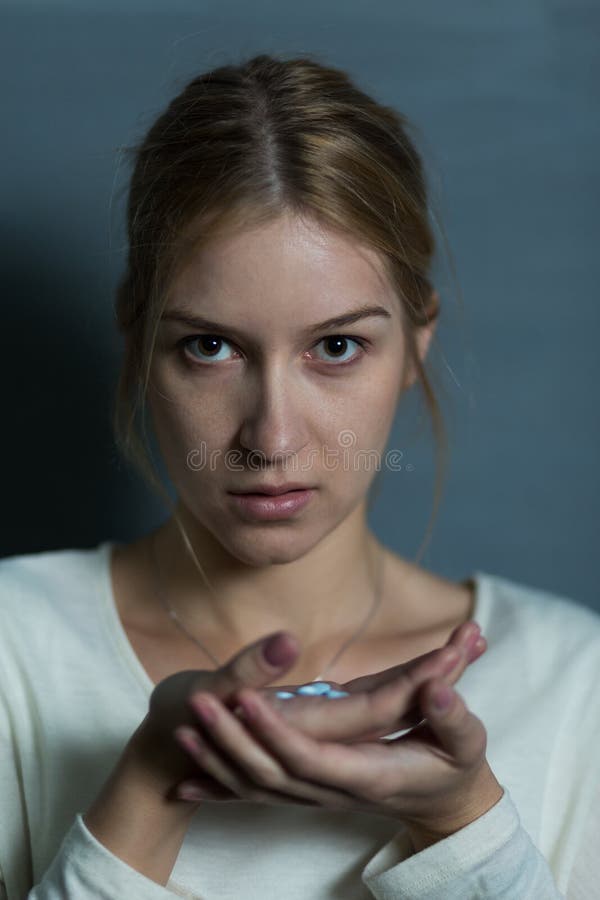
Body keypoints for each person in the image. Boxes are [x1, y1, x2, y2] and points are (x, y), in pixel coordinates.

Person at [0, 52, 598, 900]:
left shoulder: (575, 684)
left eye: (337, 346)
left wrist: (464, 821)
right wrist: (148, 788)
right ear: (137, 344)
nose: (272, 438)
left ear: (413, 348)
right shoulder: (11, 653)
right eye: (209, 347)